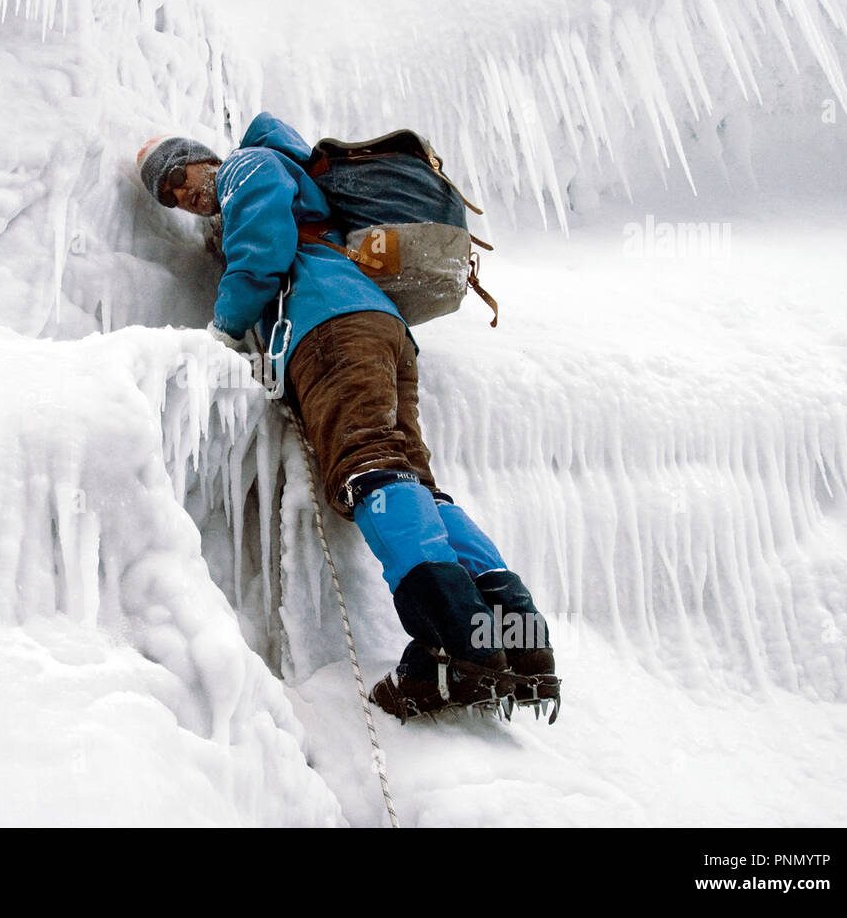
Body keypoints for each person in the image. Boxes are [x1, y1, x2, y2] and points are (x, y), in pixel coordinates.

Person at [136, 115, 558, 718]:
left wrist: (224, 328)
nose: (183, 194)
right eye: (170, 196)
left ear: (204, 158)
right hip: (378, 327)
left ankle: (453, 643)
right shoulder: (287, 181)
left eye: (180, 175)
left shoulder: (246, 166)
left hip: (326, 325)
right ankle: (518, 644)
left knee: (370, 467)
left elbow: (263, 247)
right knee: (414, 482)